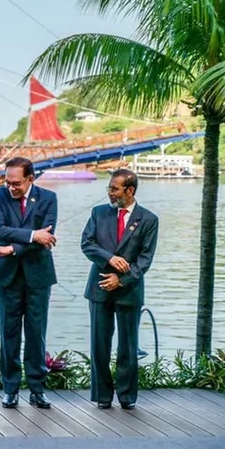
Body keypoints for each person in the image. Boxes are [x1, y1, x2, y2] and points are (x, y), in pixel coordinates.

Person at [81, 168, 158, 410]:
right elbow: (87, 243)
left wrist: (121, 280)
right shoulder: (99, 213)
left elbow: (145, 260)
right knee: (99, 345)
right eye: (109, 188)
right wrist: (109, 259)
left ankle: (127, 396)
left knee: (128, 346)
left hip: (129, 290)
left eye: (114, 188)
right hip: (99, 288)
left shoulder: (149, 219)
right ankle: (103, 396)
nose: (110, 193)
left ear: (130, 190)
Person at [0, 156, 58, 409]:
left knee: (37, 333)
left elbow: (46, 239)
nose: (11, 187)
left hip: (38, 275)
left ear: (30, 178)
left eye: (16, 183)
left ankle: (38, 389)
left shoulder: (49, 198)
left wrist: (14, 249)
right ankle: (10, 389)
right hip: (7, 277)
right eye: (8, 182)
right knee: (9, 332)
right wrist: (31, 236)